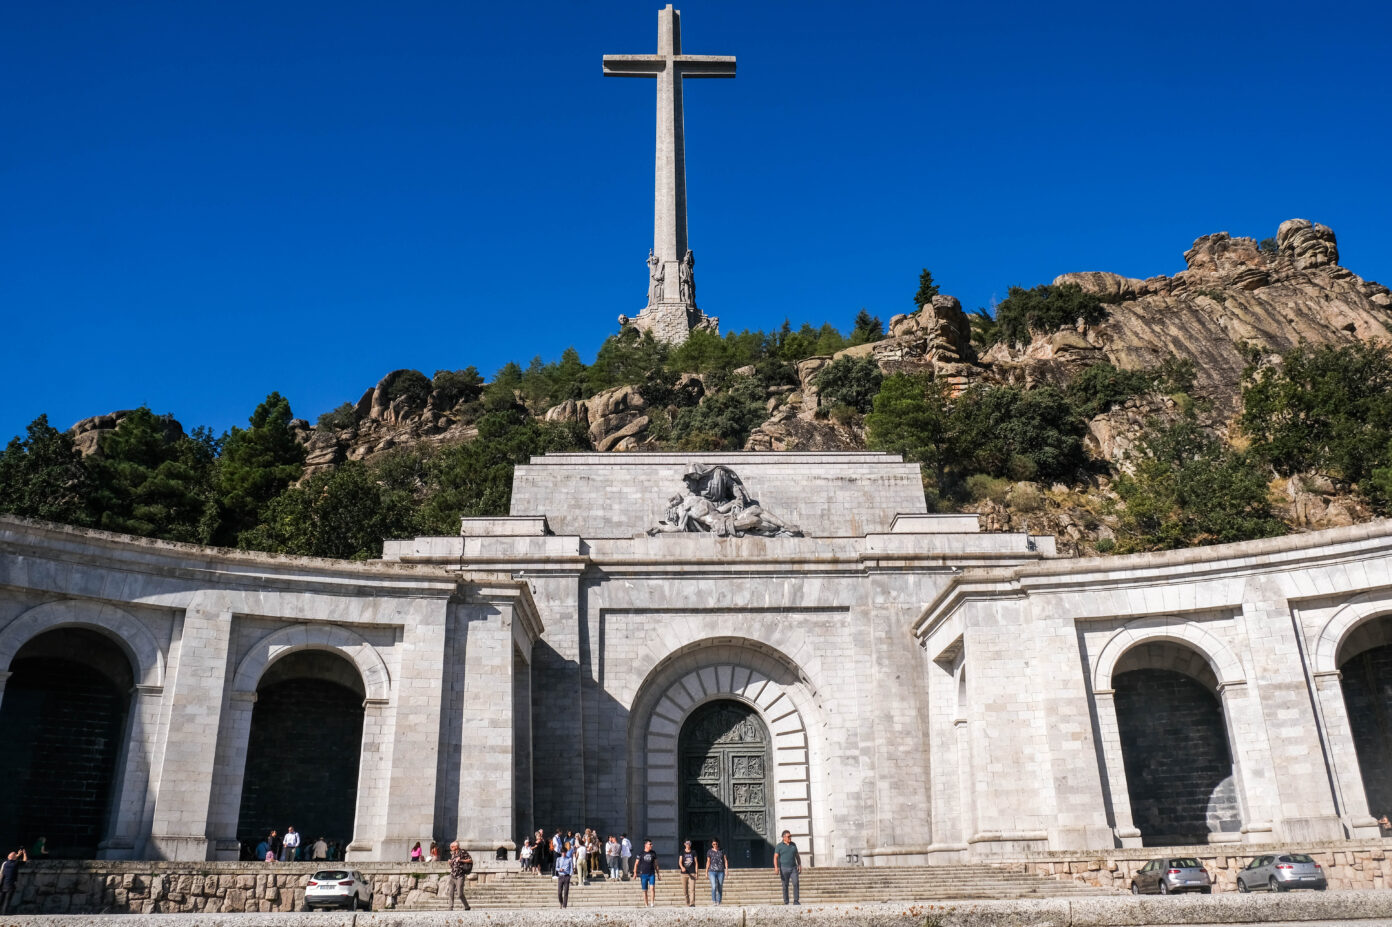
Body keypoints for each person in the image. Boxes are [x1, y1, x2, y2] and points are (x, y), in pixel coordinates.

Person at [773, 830, 801, 905]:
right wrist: (776, 867)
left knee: (796, 883)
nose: (790, 838)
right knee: (785, 885)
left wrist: (799, 865)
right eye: (788, 836)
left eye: (790, 836)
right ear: (784, 837)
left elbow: (797, 856)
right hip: (784, 868)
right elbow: (775, 857)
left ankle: (796, 900)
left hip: (793, 868)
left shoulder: (793, 845)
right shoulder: (779, 846)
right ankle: (786, 901)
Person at [633, 839, 660, 907]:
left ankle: (652, 903)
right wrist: (635, 873)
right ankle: (646, 904)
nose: (651, 845)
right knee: (644, 890)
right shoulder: (641, 853)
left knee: (652, 888)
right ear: (645, 845)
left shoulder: (653, 853)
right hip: (643, 874)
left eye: (651, 844)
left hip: (651, 873)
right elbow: (636, 864)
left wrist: (658, 874)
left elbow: (656, 864)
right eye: (650, 844)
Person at [0, 848, 27, 915]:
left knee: (1, 900)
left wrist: (17, 855)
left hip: (3, 884)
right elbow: (24, 861)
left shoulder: (5, 863)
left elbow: (12, 858)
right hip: (11, 885)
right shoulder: (15, 864)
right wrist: (24, 853)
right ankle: (4, 913)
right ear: (15, 858)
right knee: (7, 900)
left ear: (8, 857)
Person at [447, 841, 472, 910]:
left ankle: (466, 906)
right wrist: (450, 862)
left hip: (460, 875)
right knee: (450, 892)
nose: (450, 848)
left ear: (456, 846)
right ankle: (450, 907)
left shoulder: (463, 852)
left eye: (452, 847)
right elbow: (453, 865)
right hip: (452, 875)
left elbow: (470, 860)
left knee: (460, 893)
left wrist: (461, 860)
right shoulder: (453, 853)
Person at [678, 839, 698, 906]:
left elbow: (696, 862)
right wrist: (682, 867)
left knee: (692, 889)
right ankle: (687, 903)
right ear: (684, 844)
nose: (688, 844)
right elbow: (680, 862)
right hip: (684, 873)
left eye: (689, 843)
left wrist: (696, 873)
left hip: (692, 872)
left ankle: (692, 903)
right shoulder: (682, 852)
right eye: (687, 843)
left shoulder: (693, 852)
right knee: (685, 890)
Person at [706, 837, 727, 906]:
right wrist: (706, 872)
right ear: (712, 844)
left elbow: (725, 860)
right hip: (712, 871)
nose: (715, 845)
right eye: (713, 844)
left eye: (716, 844)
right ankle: (714, 901)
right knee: (714, 886)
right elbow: (708, 862)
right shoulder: (709, 851)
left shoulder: (722, 850)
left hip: (721, 871)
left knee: (720, 886)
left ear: (718, 843)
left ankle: (719, 901)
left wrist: (726, 870)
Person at [554, 841, 574, 908]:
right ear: (561, 853)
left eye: (564, 852)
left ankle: (565, 905)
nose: (564, 854)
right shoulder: (558, 859)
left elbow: (571, 867)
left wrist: (570, 875)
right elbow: (556, 868)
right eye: (562, 852)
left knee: (566, 891)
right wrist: (559, 869)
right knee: (559, 892)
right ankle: (561, 902)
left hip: (567, 876)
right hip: (560, 876)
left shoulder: (569, 859)